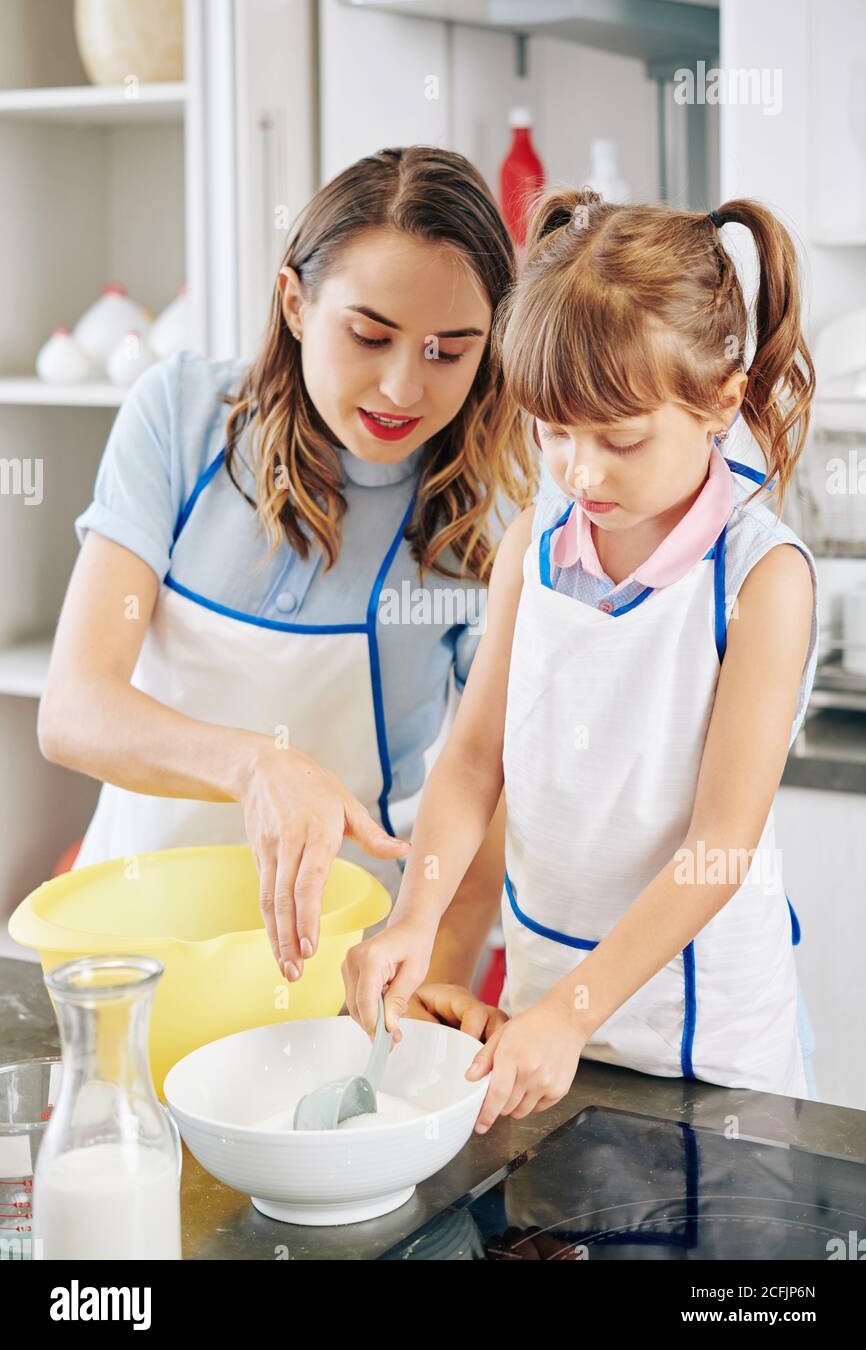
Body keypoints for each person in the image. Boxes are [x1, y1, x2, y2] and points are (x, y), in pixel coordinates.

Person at [343, 188, 821, 1128]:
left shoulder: (762, 582)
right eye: (554, 431)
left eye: (621, 439)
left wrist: (568, 1014)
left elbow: (718, 847)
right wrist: (414, 919)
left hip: (705, 1054)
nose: (582, 472)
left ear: (721, 402)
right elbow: (474, 762)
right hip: (545, 1022)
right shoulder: (537, 541)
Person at [37, 146, 535, 990]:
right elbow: (74, 710)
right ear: (296, 302)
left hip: (336, 975)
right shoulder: (181, 418)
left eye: (450, 352)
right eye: (370, 335)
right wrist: (254, 763)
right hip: (139, 950)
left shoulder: (488, 514)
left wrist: (432, 991)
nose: (403, 388)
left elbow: (488, 797)